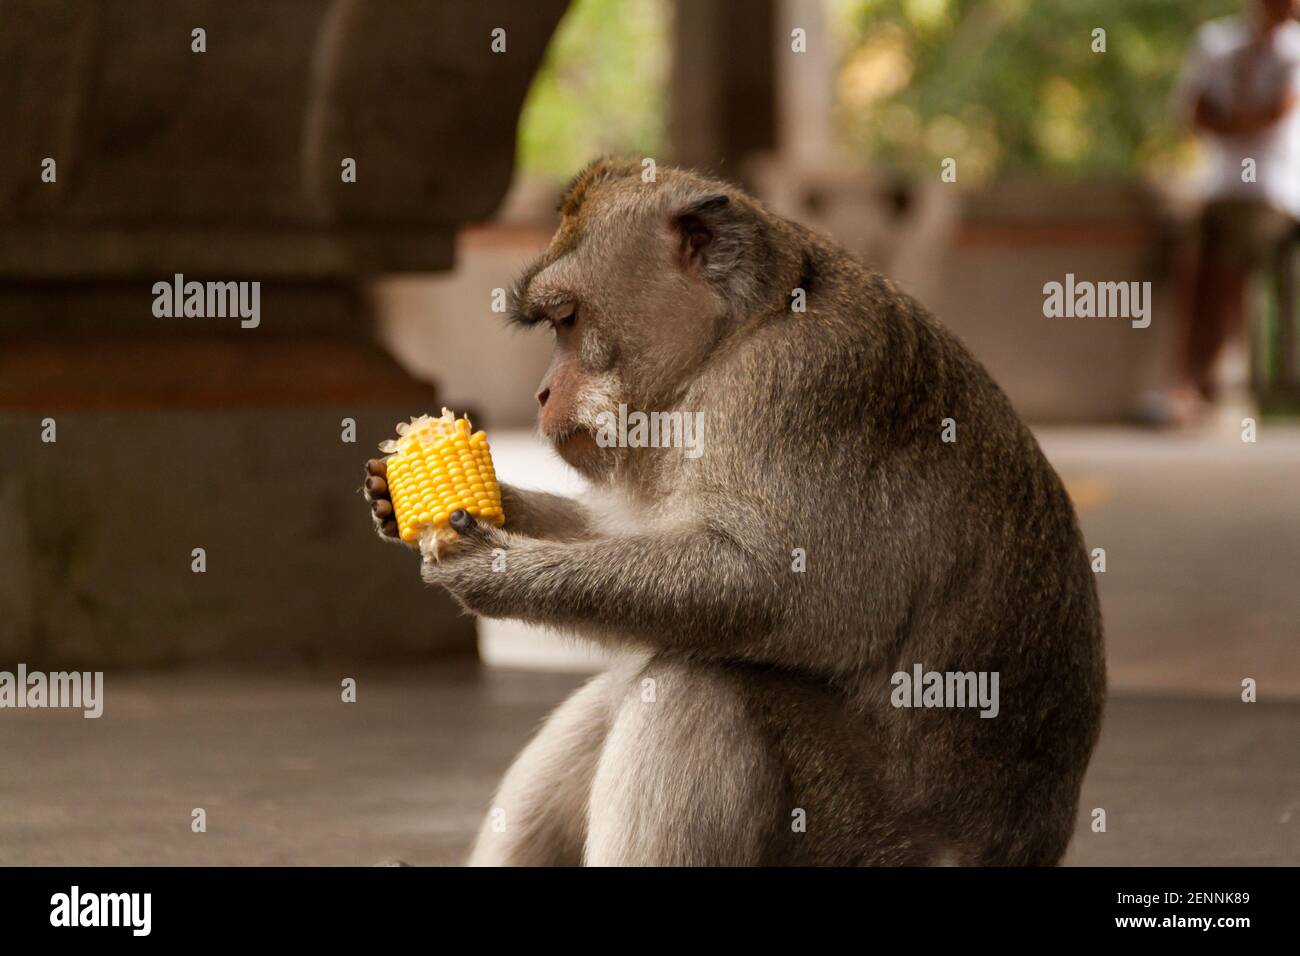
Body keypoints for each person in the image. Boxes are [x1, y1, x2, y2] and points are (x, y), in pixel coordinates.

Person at [1163, 0, 1300, 426]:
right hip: (1218, 190)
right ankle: (1185, 383)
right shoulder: (1216, 41)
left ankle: (1204, 380)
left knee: (1226, 264)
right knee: (1192, 267)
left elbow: (1276, 115)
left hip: (1275, 195)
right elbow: (1194, 112)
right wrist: (1241, 122)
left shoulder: (1295, 50)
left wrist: (1234, 121)